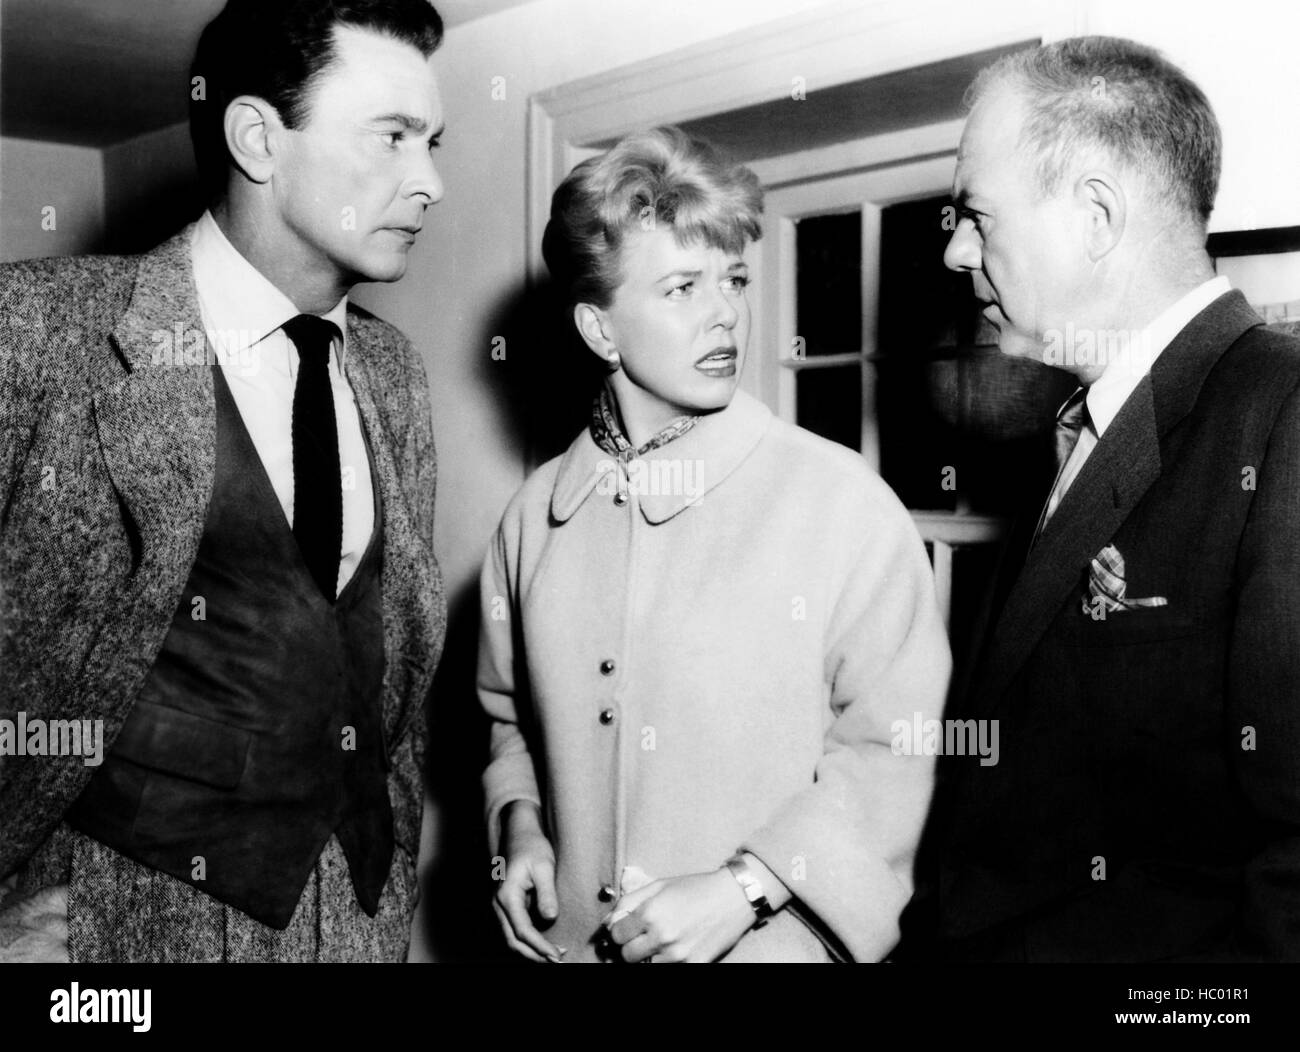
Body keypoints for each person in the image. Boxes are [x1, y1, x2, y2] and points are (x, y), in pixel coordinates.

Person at [0, 0, 447, 962]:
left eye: (434, 142)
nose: (431, 181)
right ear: (258, 138)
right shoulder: (37, 333)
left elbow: (386, 691)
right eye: (394, 139)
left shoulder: (397, 377)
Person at [478, 126, 949, 963]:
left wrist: (748, 884)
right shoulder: (531, 517)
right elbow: (510, 720)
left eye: (732, 278)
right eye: (682, 287)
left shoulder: (841, 504)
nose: (725, 310)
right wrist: (520, 826)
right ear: (598, 329)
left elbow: (895, 747)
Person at [904, 36, 1300, 961]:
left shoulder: (1281, 414)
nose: (959, 251)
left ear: (1095, 215)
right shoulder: (1086, 421)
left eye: (976, 214)